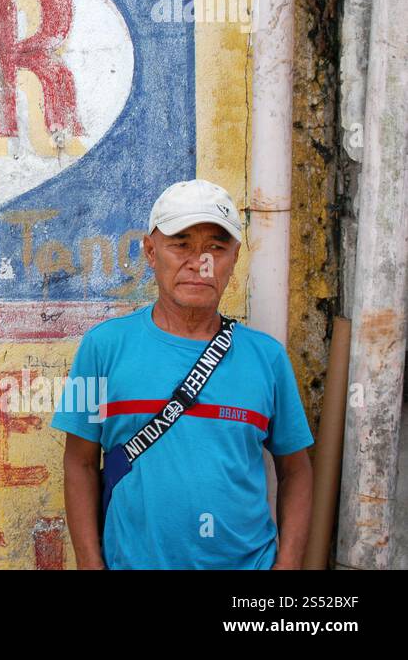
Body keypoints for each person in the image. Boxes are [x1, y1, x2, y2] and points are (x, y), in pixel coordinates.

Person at [51, 179, 314, 569]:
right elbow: (80, 463)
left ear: (235, 258)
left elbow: (296, 470)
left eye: (216, 247)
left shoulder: (268, 358)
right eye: (182, 244)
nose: (199, 261)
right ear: (151, 251)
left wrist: (288, 564)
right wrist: (91, 563)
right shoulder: (100, 348)